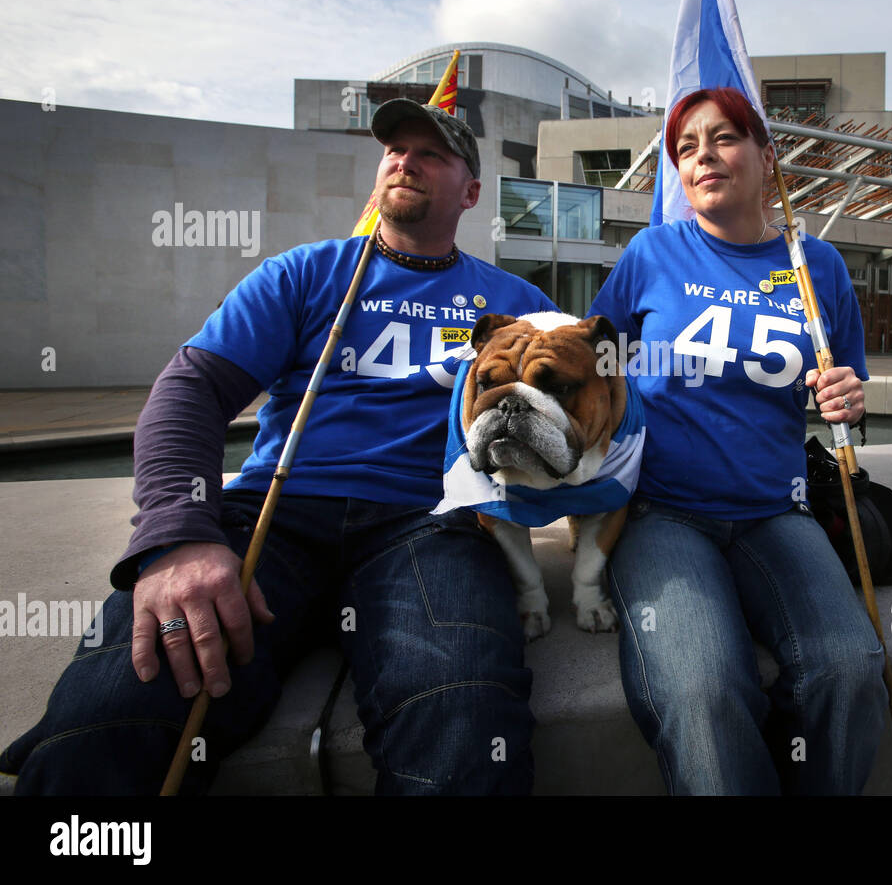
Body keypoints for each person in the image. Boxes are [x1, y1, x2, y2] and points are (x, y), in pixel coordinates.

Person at [0, 99, 558, 795]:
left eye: (432, 154)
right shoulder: (302, 274)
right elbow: (190, 391)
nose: (405, 160)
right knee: (108, 713)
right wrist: (176, 536)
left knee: (464, 716)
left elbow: (575, 421)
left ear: (471, 192)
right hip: (277, 512)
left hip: (432, 522)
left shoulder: (519, 304)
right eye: (395, 150)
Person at [586, 86, 887, 795]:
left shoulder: (819, 268)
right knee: (703, 692)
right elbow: (594, 365)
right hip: (661, 513)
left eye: (722, 138)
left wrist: (848, 401)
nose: (703, 158)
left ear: (765, 155)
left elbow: (846, 407)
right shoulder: (651, 252)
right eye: (685, 149)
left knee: (847, 670)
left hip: (775, 513)